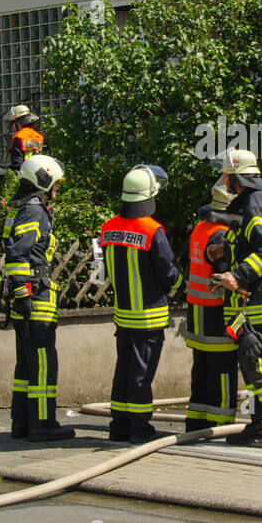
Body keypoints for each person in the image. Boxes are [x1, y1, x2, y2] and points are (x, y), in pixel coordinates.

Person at [210, 149, 262, 448]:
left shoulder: (255, 202)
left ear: (237, 177)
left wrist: (239, 275)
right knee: (252, 362)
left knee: (259, 362)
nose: (224, 180)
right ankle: (260, 423)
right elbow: (248, 242)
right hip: (253, 300)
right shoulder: (249, 201)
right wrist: (225, 251)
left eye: (227, 176)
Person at [101, 164, 183, 443]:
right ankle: (139, 429)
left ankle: (119, 427)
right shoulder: (152, 230)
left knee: (123, 372)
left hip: (122, 316)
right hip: (149, 316)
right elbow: (167, 271)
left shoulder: (108, 228)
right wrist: (181, 284)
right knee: (140, 375)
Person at [3, 154, 72, 442]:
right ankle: (43, 424)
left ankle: (21, 422)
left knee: (26, 363)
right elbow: (18, 254)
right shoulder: (34, 211)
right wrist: (24, 293)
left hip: (23, 295)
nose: (56, 190)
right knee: (43, 361)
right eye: (54, 185)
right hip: (36, 293)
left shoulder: (19, 207)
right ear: (42, 181)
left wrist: (18, 294)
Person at [183, 183, 241, 433]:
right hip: (217, 312)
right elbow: (223, 276)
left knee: (202, 369)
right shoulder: (221, 234)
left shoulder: (200, 227)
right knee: (222, 370)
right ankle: (220, 423)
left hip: (197, 310)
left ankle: (196, 421)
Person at [6, 104, 46, 174]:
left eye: (13, 123)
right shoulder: (40, 137)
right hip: (40, 176)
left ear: (17, 122)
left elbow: (17, 164)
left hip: (26, 177)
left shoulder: (19, 138)